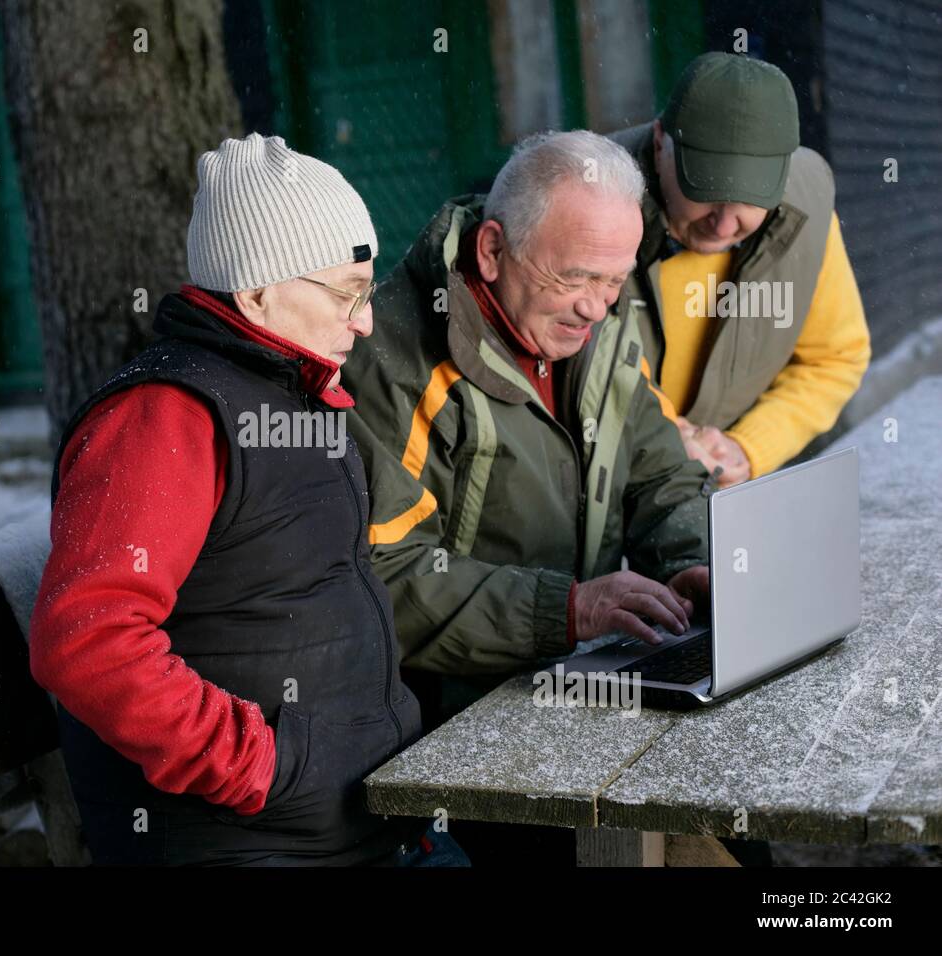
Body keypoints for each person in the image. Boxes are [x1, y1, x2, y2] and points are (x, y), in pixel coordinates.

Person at [29, 132, 451, 866]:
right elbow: (89, 640)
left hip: (362, 822)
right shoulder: (165, 417)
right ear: (258, 290)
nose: (367, 320)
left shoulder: (296, 393)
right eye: (347, 293)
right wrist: (260, 767)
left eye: (368, 289)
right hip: (250, 842)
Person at [340, 130, 714, 863]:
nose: (598, 308)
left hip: (589, 673)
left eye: (615, 282)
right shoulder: (390, 360)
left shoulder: (598, 330)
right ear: (490, 251)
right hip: (459, 728)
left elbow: (663, 474)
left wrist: (696, 561)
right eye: (577, 279)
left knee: (730, 808)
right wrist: (566, 610)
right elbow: (385, 578)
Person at [609, 52, 871, 486]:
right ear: (660, 144)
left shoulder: (808, 207)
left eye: (751, 201)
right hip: (598, 488)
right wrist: (672, 435)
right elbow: (569, 358)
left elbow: (834, 359)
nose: (725, 224)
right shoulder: (587, 198)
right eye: (704, 192)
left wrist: (747, 447)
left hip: (725, 487)